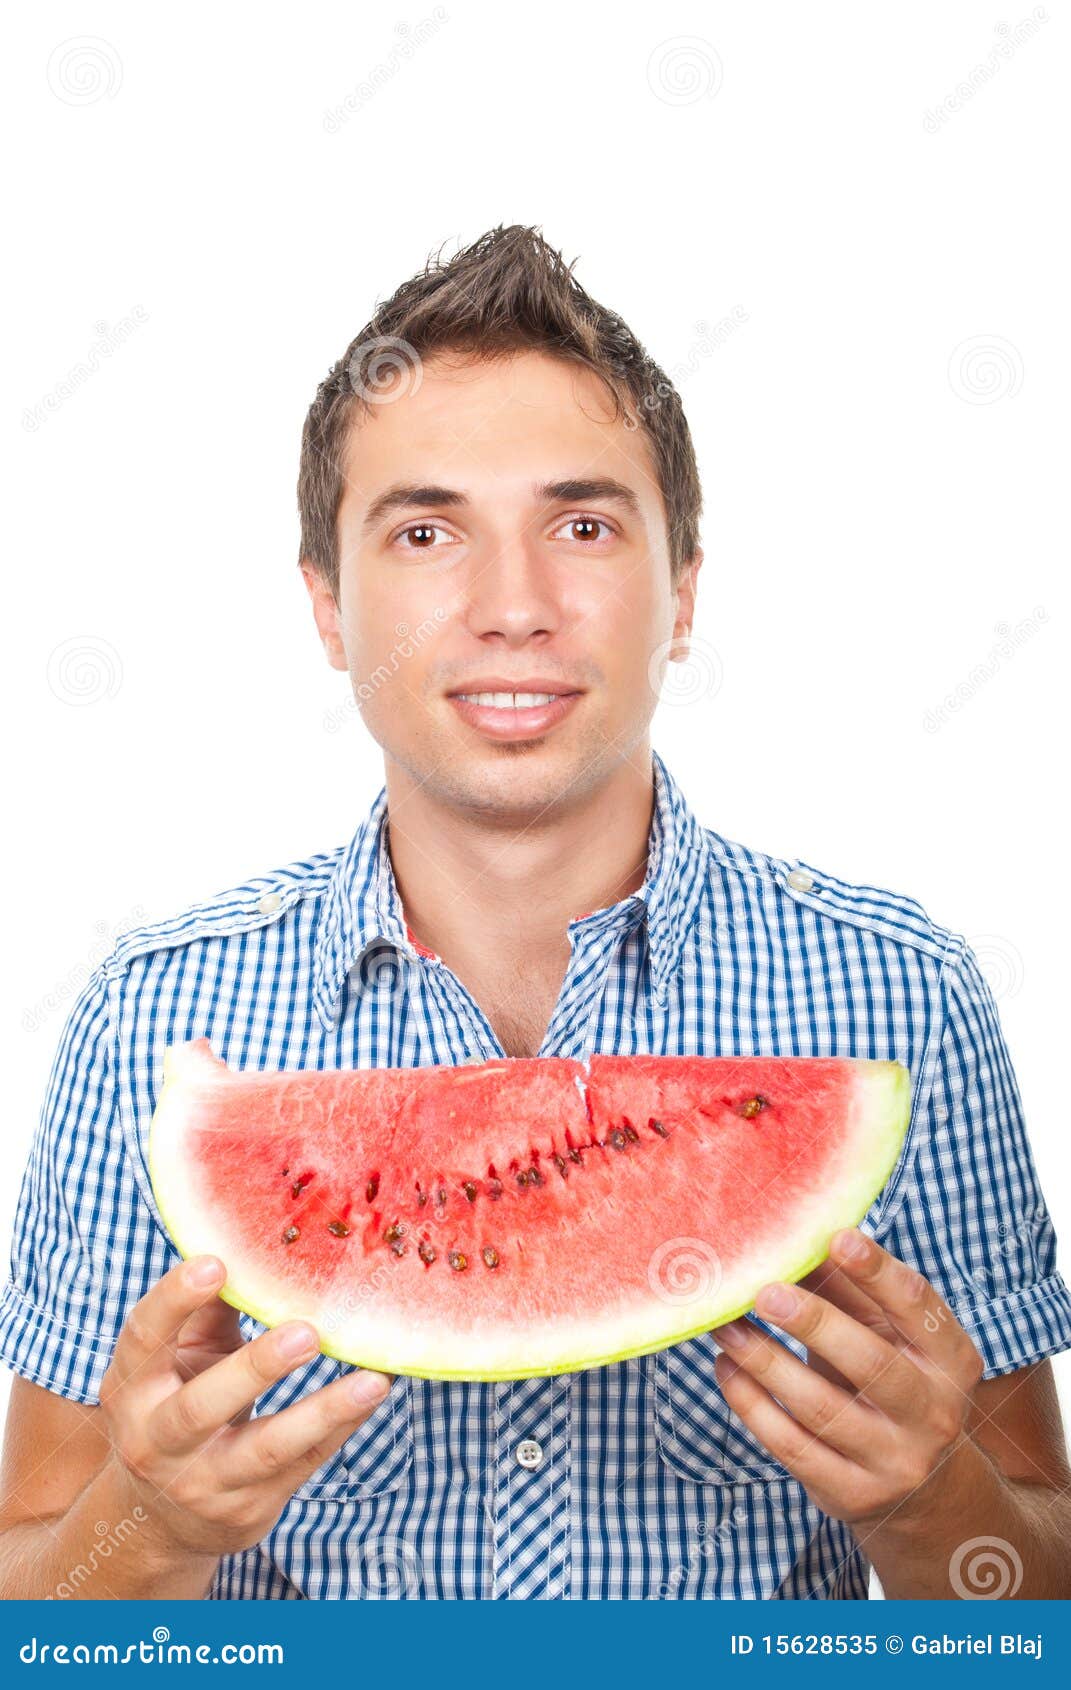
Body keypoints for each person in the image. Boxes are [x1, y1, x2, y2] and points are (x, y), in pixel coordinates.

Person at [1, 226, 1069, 1601]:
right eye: (429, 530)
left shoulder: (897, 1000)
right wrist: (147, 1526)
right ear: (329, 604)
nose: (514, 605)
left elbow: (1039, 1597)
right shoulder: (156, 1022)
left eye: (582, 525)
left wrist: (938, 1504)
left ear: (683, 592)